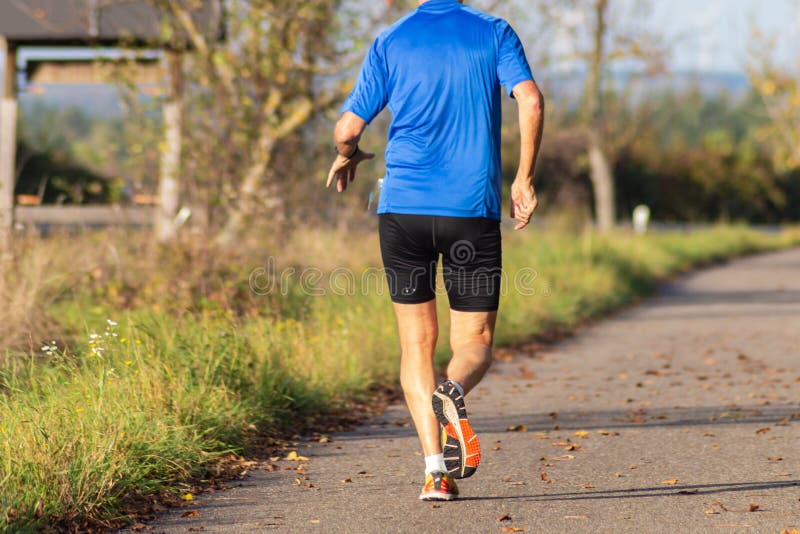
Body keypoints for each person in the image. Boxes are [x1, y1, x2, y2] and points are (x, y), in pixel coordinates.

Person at [327, 0, 544, 501]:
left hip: (402, 211)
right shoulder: (493, 32)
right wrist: (524, 178)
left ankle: (434, 473)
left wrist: (347, 157)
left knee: (415, 346)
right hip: (469, 210)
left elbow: (347, 129)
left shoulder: (391, 39)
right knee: (475, 341)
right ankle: (455, 390)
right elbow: (529, 101)